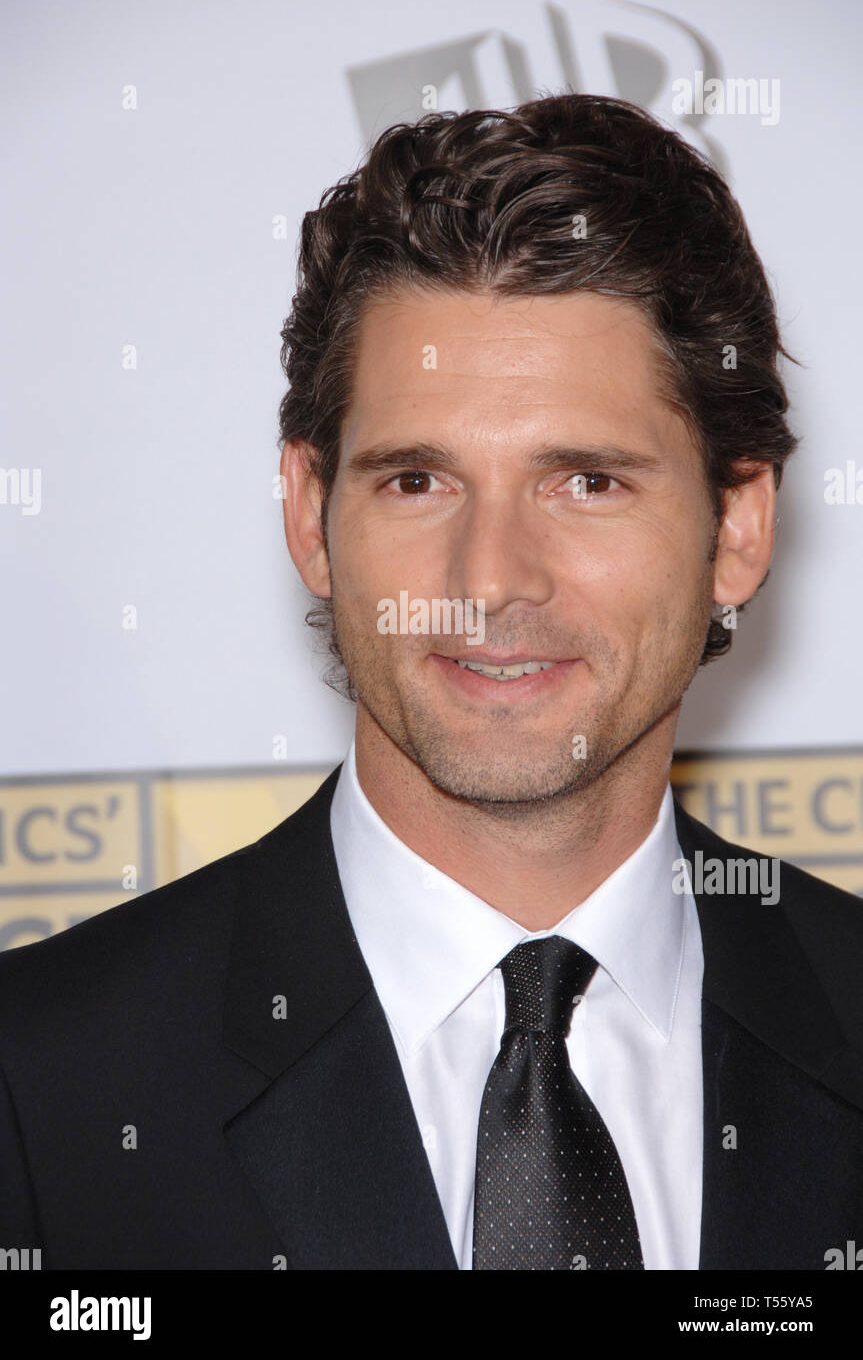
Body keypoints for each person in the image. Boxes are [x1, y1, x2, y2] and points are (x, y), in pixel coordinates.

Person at [1, 93, 861, 1271]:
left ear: (738, 527)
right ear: (309, 511)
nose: (489, 579)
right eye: (417, 481)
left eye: (586, 482)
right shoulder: (41, 1087)